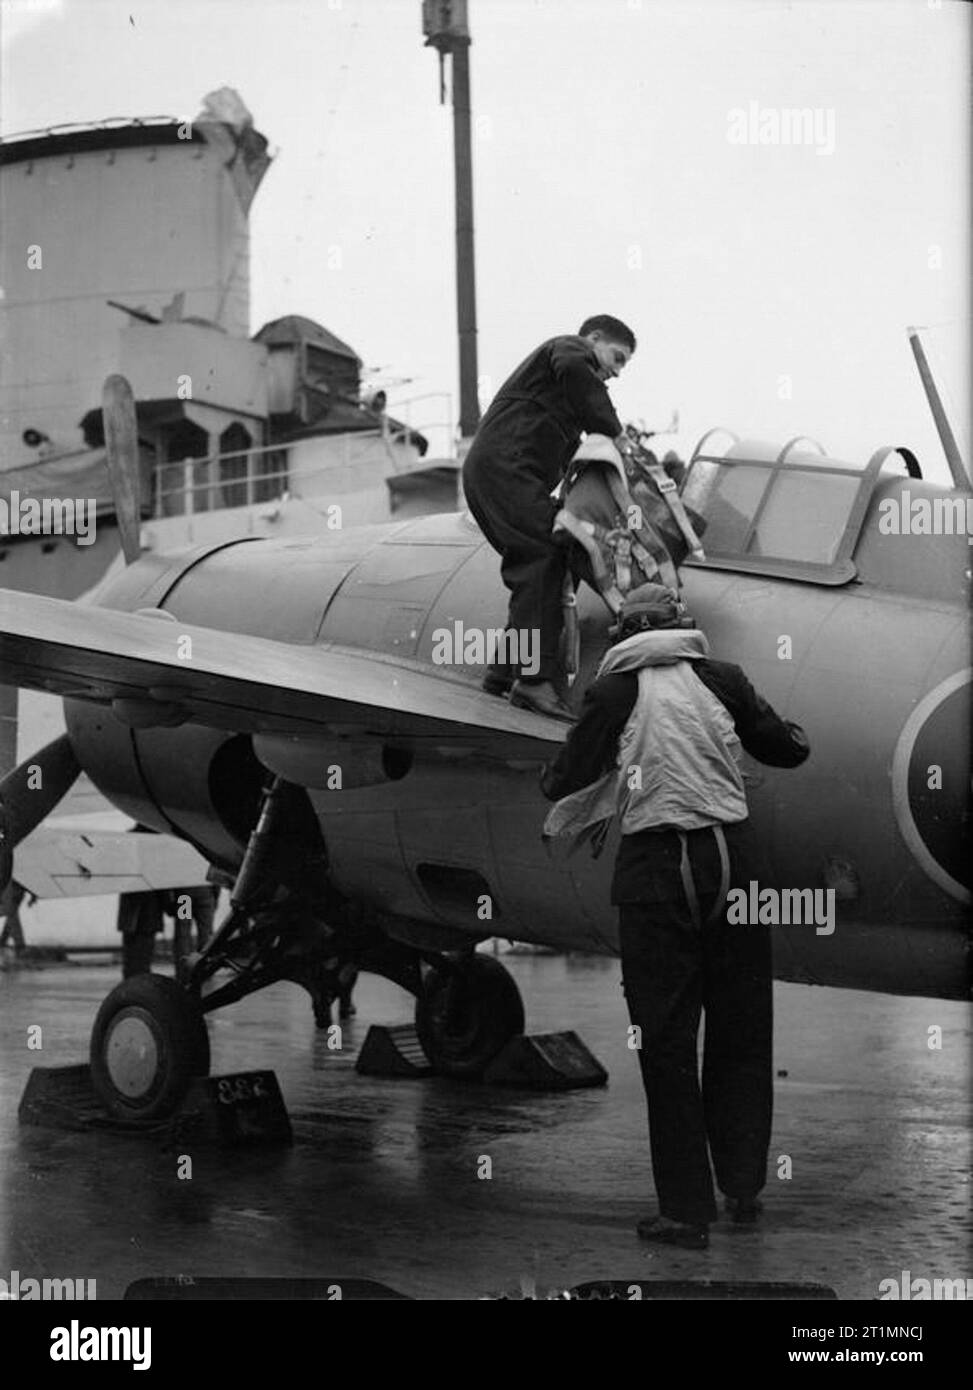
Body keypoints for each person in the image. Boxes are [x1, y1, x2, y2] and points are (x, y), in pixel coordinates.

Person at [540, 583, 810, 1250]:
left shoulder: (611, 693)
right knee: (741, 1029)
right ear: (681, 626)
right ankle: (742, 1185)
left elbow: (561, 781)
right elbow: (786, 749)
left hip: (657, 872)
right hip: (734, 866)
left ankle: (685, 1213)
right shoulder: (724, 677)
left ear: (625, 634)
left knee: (665, 1043)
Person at [462, 315, 637, 721]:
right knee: (543, 553)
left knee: (548, 553)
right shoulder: (569, 350)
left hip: (504, 472)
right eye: (617, 358)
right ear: (593, 339)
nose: (615, 372)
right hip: (505, 469)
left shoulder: (565, 395)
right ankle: (533, 680)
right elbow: (579, 372)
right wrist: (616, 432)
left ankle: (506, 671)